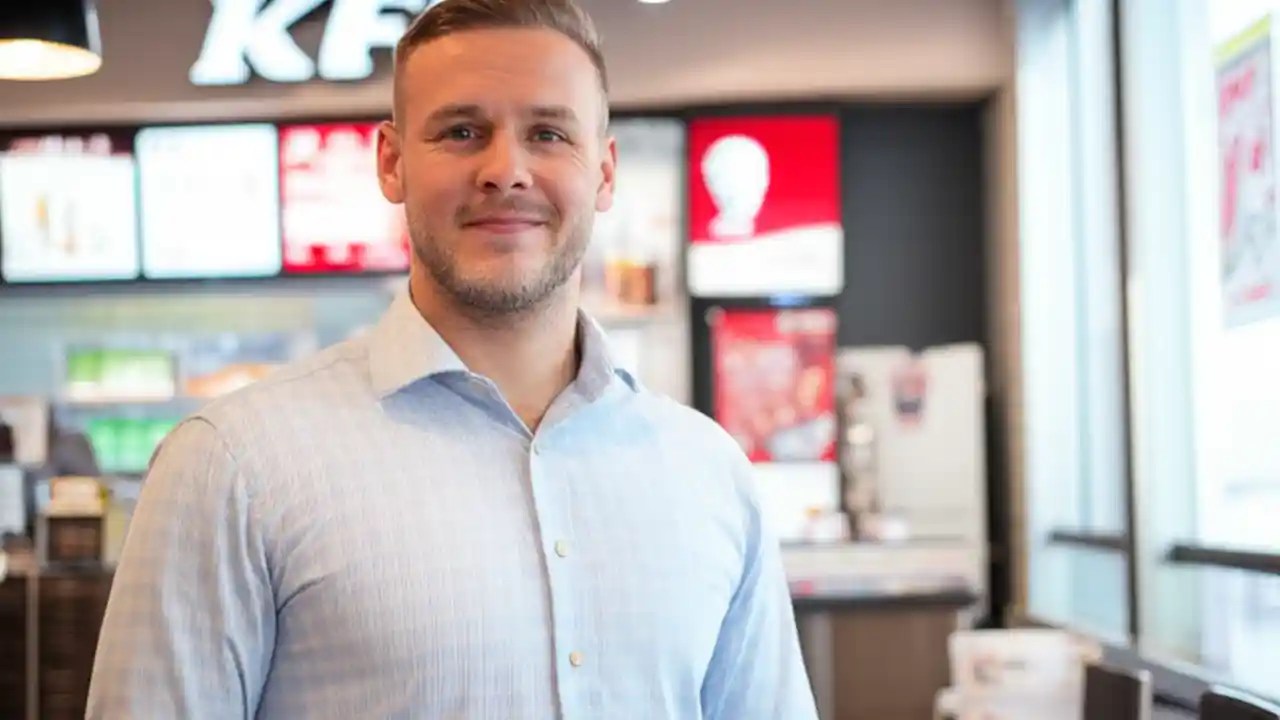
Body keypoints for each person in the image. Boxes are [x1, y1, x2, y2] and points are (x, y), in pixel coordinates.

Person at [86, 0, 818, 717]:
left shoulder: (709, 473)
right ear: (392, 162)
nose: (506, 170)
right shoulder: (232, 469)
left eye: (549, 134)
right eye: (463, 131)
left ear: (603, 173)